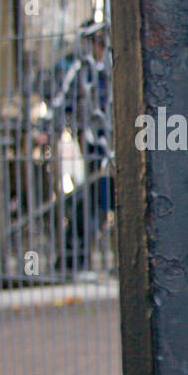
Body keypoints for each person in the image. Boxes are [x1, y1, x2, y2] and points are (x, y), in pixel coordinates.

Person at [51, 19, 113, 275]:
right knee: (94, 197)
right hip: (91, 142)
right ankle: (71, 261)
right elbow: (59, 101)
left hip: (112, 143)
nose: (101, 48)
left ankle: (77, 259)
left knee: (103, 198)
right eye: (98, 42)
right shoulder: (77, 67)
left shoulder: (109, 67)